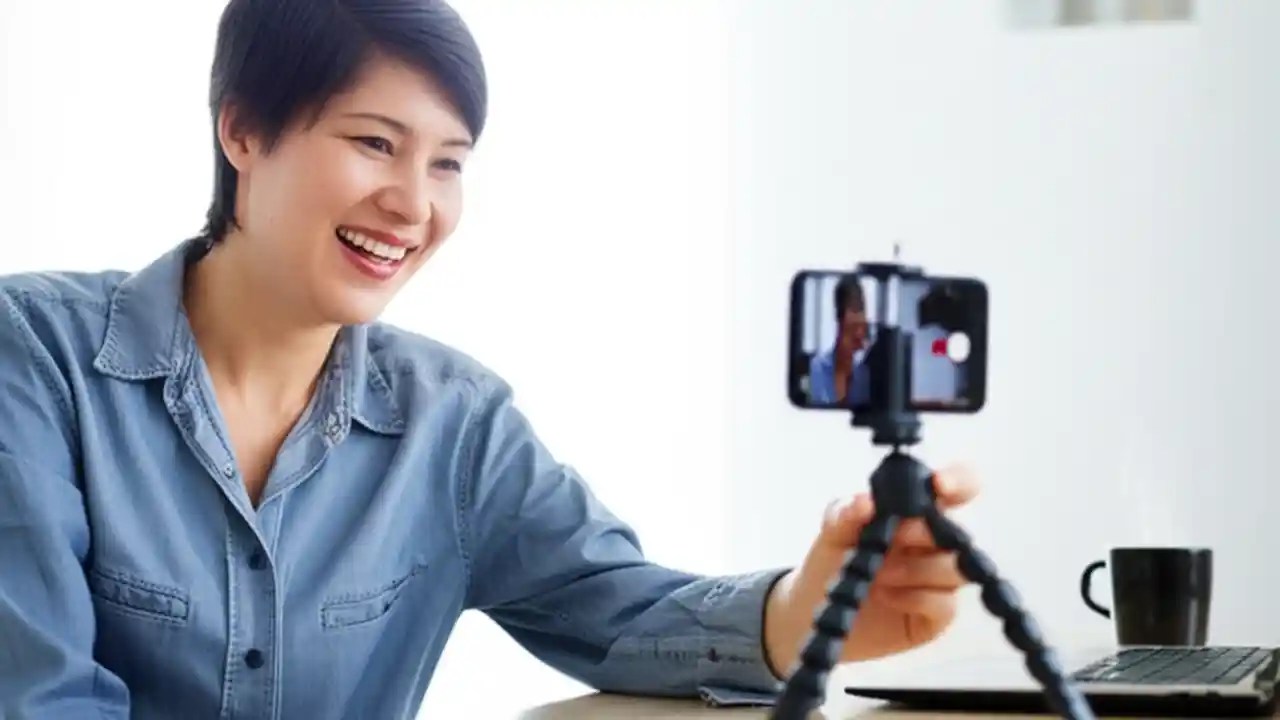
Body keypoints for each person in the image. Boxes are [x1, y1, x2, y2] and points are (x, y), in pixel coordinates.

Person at [0, 1, 981, 717]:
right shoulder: (33, 357)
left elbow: (623, 617)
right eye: (375, 143)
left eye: (447, 163)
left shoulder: (452, 423)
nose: (412, 203)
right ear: (242, 130)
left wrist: (810, 609)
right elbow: (35, 696)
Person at [809, 275, 874, 406]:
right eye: (853, 309)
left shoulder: (865, 373)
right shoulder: (818, 367)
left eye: (860, 309)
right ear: (839, 319)